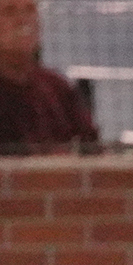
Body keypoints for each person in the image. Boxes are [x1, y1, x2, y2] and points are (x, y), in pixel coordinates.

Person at [0, 0, 98, 152]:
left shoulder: (58, 89)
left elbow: (94, 152)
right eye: (9, 12)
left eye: (29, 10)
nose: (22, 21)